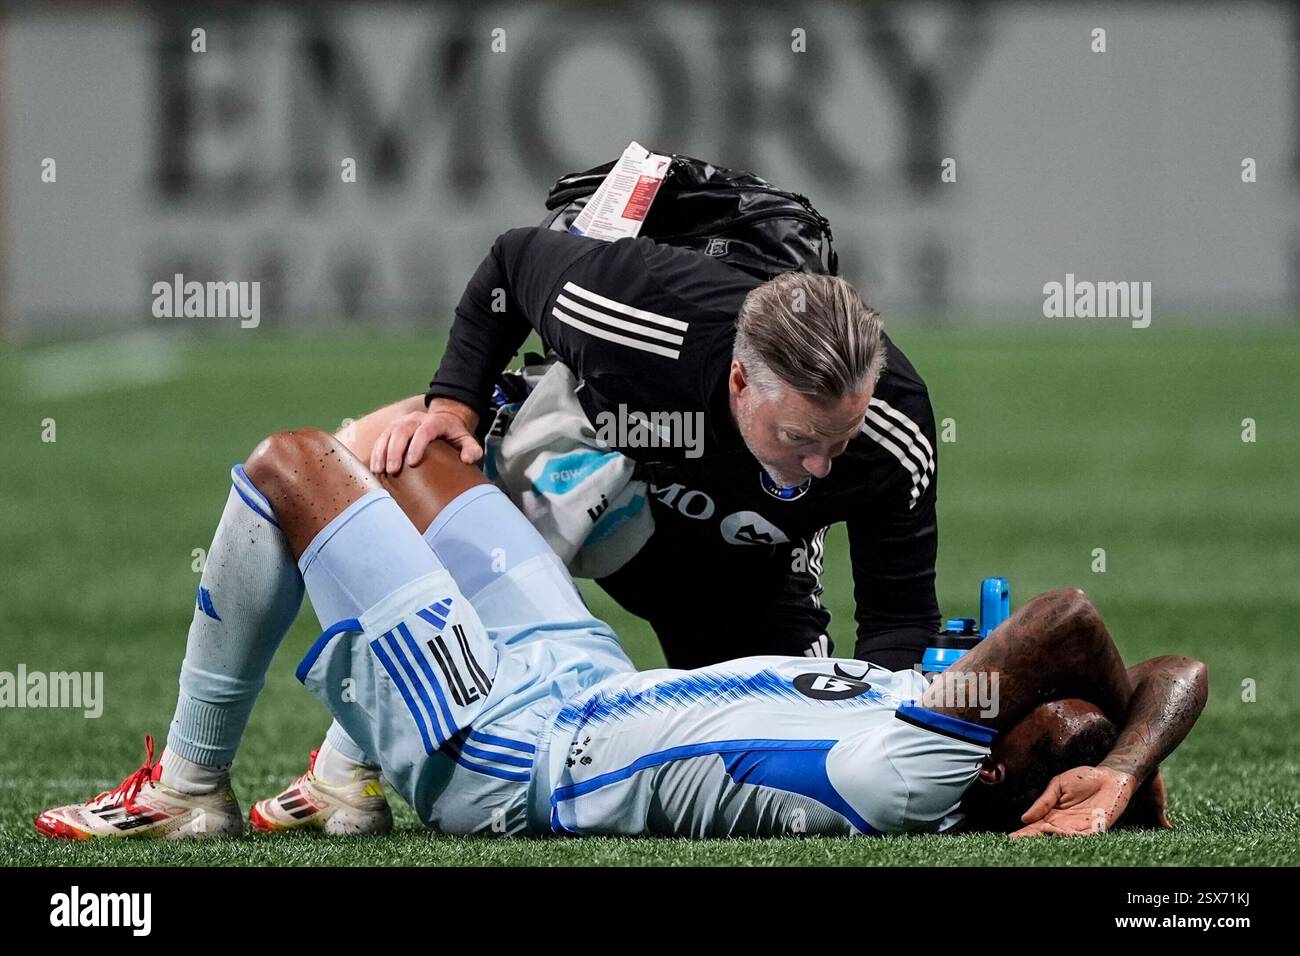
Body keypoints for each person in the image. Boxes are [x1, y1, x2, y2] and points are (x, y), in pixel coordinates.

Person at [35, 430, 1205, 840]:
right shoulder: (961, 736)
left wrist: (1104, 769)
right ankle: (350, 775)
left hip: (502, 749)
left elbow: (1073, 622)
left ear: (1004, 772)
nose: (1011, 690)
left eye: (1032, 719)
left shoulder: (908, 769)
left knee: (294, 463)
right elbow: (1170, 673)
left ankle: (187, 785)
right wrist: (1124, 764)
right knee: (420, 459)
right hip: (578, 682)